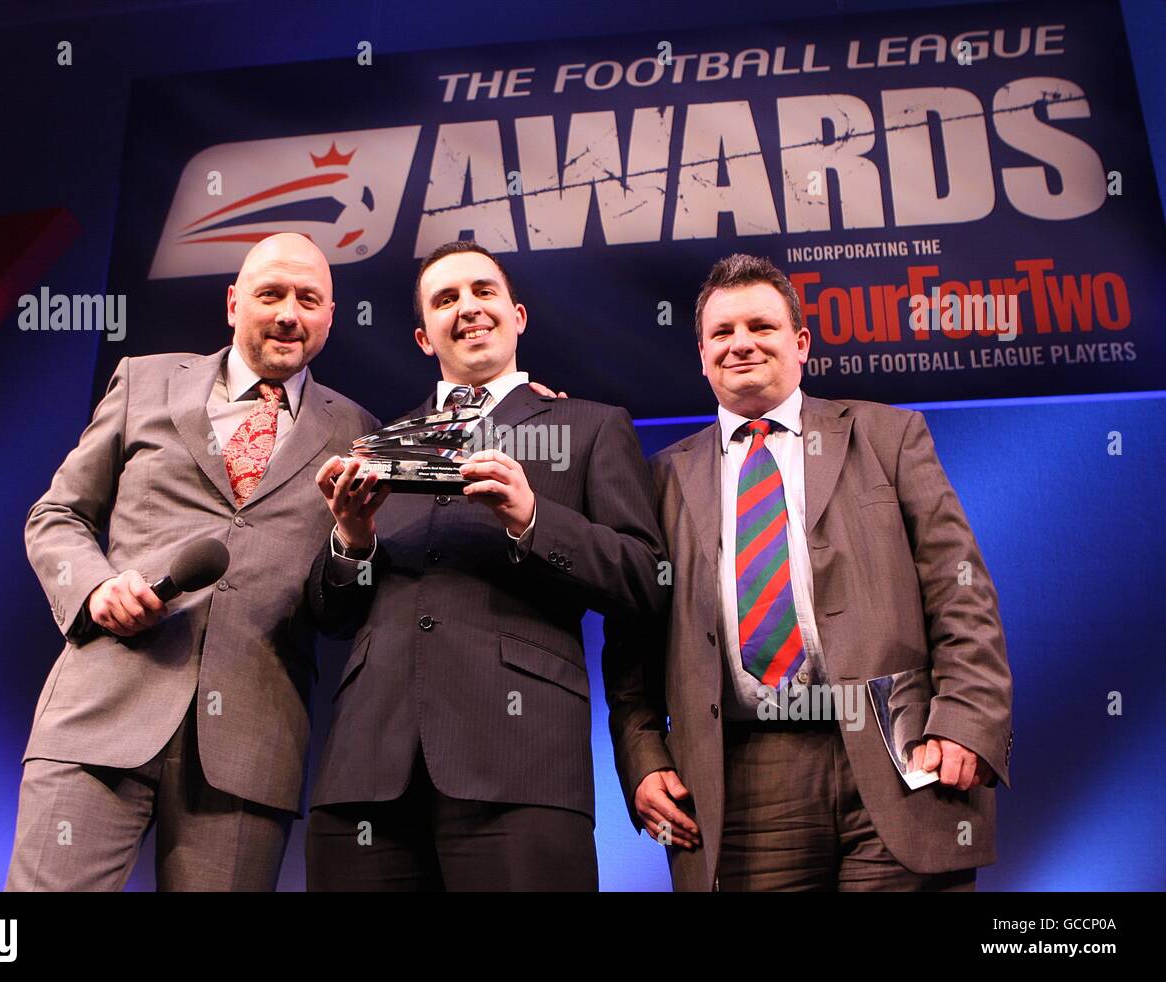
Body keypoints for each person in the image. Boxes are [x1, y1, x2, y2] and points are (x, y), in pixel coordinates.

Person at [607, 253, 1013, 892]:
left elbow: (960, 591)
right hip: (743, 779)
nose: (741, 344)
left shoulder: (890, 435)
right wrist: (641, 755)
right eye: (722, 333)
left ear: (800, 343)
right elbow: (631, 640)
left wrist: (965, 719)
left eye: (761, 327)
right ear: (702, 355)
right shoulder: (659, 480)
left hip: (899, 752)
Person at [7, 233, 378, 891]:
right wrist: (94, 590)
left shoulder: (357, 431)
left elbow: (341, 613)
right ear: (234, 301)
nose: (289, 313)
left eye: (308, 298)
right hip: (101, 711)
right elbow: (55, 516)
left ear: (329, 315)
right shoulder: (145, 380)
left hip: (249, 745)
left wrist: (352, 542)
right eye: (271, 293)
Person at [302, 241, 667, 891]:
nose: (467, 308)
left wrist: (534, 519)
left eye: (482, 291)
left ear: (518, 315)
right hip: (365, 775)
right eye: (445, 300)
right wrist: (352, 538)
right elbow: (330, 616)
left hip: (520, 770)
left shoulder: (589, 426)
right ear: (423, 336)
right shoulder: (380, 445)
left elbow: (645, 578)